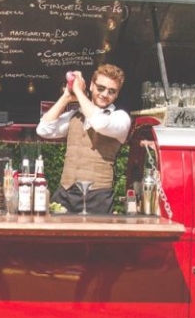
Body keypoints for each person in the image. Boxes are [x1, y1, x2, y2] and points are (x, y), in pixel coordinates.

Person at [37, 64, 130, 214]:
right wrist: (67, 97)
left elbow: (99, 123)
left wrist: (79, 93)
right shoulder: (75, 115)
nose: (105, 94)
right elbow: (43, 129)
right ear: (92, 86)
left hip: (98, 197)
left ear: (117, 94)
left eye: (111, 91)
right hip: (65, 193)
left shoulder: (120, 117)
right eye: (101, 88)